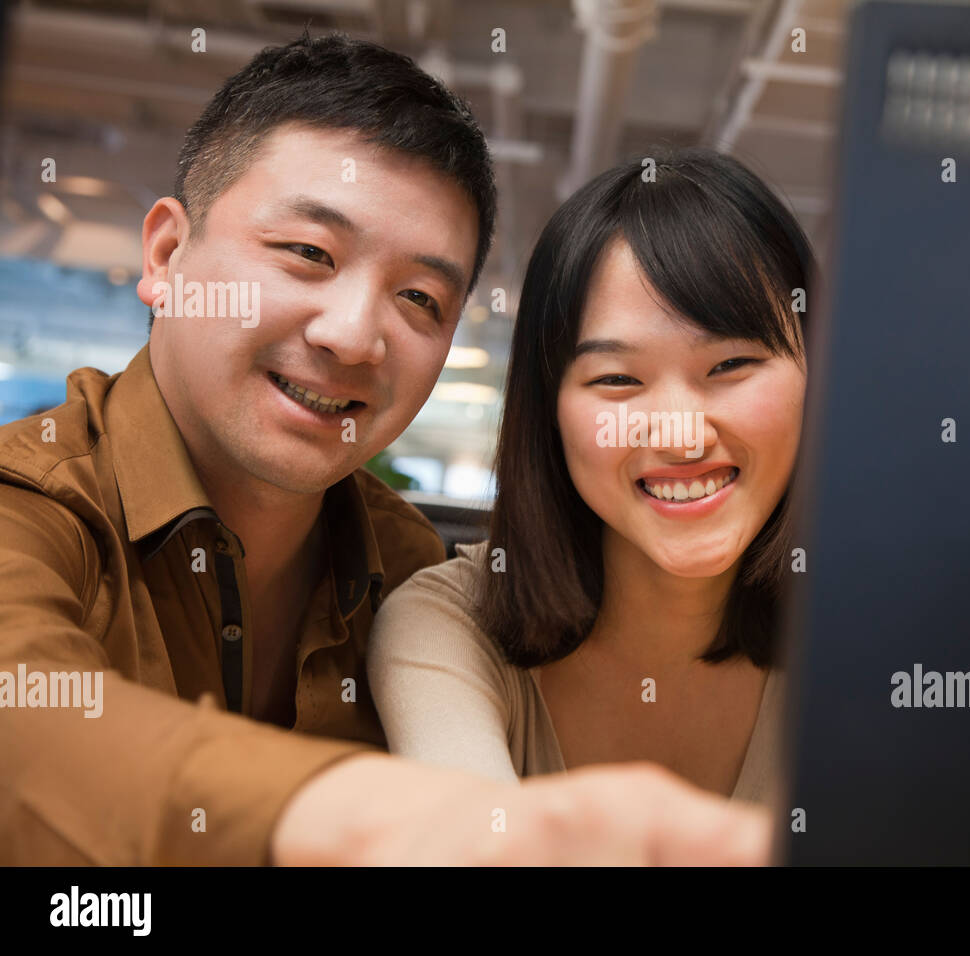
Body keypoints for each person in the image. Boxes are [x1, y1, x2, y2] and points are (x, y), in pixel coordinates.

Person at [0, 35, 769, 866]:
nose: (353, 335)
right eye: (308, 254)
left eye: (418, 297)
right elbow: (30, 727)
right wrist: (392, 821)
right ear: (165, 256)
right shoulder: (33, 504)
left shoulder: (403, 566)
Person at [368, 149, 813, 803]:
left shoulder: (880, 638)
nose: (680, 435)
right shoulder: (450, 623)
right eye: (617, 380)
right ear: (548, 413)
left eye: (731, 365)